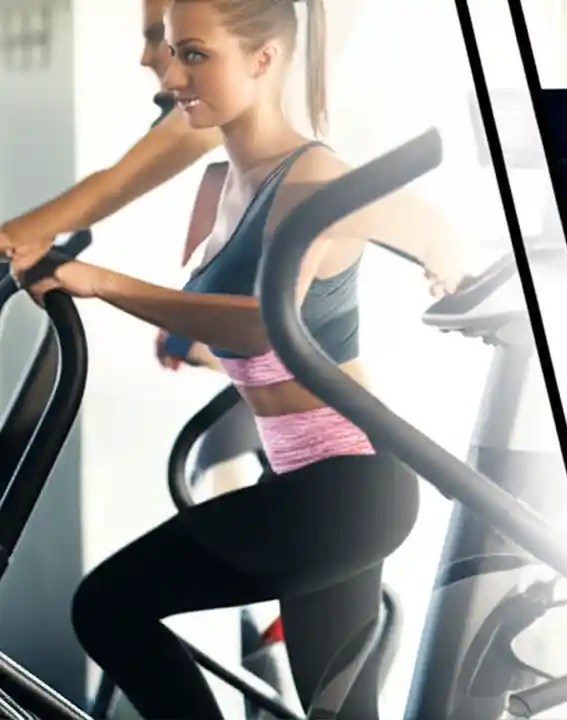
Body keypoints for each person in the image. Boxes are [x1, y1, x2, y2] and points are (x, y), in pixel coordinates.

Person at [11, 0, 464, 717]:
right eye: (172, 52)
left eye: (194, 54)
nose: (172, 73)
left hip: (347, 487)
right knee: (340, 713)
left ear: (262, 59)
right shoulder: (228, 182)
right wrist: (198, 350)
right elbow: (276, 352)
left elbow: (263, 327)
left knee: (108, 607)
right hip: (308, 479)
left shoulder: (312, 178)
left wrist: (102, 283)